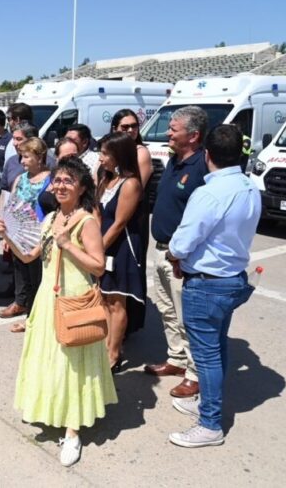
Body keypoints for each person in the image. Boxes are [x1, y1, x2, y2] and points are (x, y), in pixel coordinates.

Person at [0, 155, 117, 467]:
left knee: (71, 363)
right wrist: (6, 235)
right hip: (47, 298)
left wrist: (69, 245)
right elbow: (30, 256)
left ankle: (73, 431)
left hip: (74, 299)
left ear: (81, 188)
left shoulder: (87, 221)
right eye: (58, 180)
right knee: (50, 359)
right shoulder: (49, 218)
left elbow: (99, 266)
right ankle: (54, 410)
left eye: (68, 181)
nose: (61, 186)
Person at [165, 124, 260, 448]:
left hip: (207, 284)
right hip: (231, 279)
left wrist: (175, 256)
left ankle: (210, 424)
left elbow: (183, 241)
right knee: (216, 348)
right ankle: (207, 405)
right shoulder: (249, 187)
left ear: (208, 154)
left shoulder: (208, 193)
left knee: (207, 356)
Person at [145, 106, 210, 399]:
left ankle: (194, 374)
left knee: (187, 318)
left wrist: (183, 256)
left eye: (174, 129)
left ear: (193, 136)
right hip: (159, 250)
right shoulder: (174, 160)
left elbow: (203, 219)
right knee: (166, 309)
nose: (168, 133)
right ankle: (176, 359)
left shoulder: (202, 166)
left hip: (181, 257)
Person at [95, 132, 145, 370]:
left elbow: (118, 223)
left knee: (116, 302)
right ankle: (106, 344)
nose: (101, 158)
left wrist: (98, 249)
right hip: (102, 244)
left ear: (118, 155)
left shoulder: (130, 184)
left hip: (120, 247)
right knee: (103, 298)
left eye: (105, 153)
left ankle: (114, 354)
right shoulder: (105, 179)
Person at [0, 137, 51, 333]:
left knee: (39, 279)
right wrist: (7, 236)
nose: (22, 161)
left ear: (40, 157)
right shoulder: (21, 179)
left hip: (40, 235)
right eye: (21, 157)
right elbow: (11, 205)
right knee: (22, 275)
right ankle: (27, 310)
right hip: (20, 236)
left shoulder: (50, 179)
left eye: (27, 157)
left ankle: (35, 319)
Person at [110, 109, 153, 334]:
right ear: (115, 129)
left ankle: (129, 323)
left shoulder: (140, 152)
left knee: (130, 269)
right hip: (112, 214)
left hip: (132, 217)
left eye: (133, 126)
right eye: (124, 127)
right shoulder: (111, 151)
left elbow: (136, 188)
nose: (130, 130)